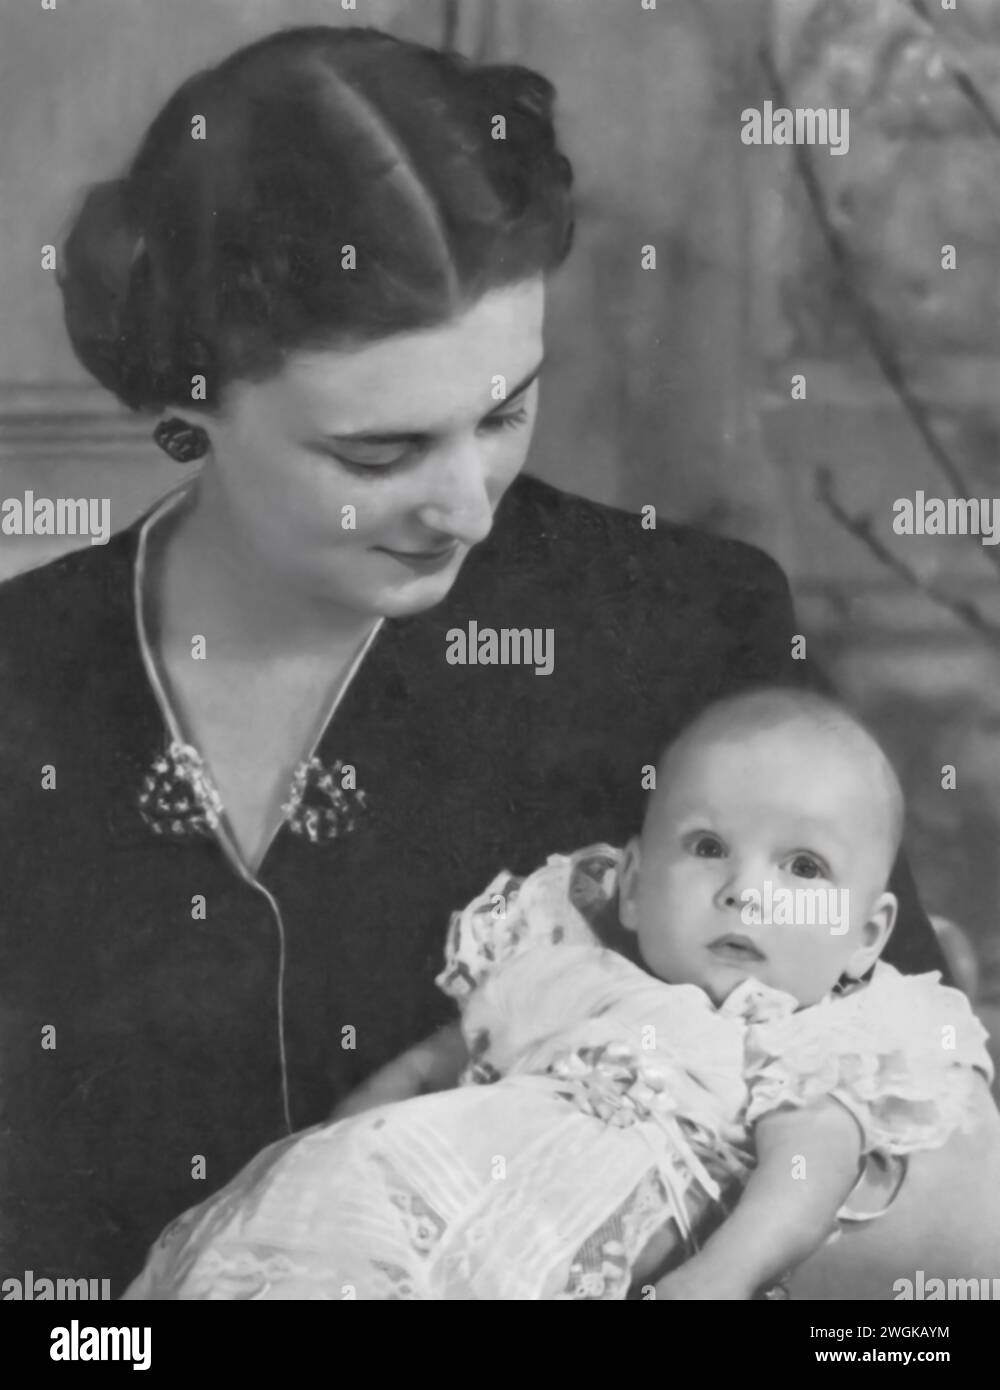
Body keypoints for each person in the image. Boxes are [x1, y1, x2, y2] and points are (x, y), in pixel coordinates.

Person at [0, 25, 951, 1297]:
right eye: (380, 454)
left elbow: (937, 1177)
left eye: (504, 413)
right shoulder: (27, 678)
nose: (467, 504)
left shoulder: (681, 631)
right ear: (192, 398)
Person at [121, 688, 993, 1301]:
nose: (745, 892)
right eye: (706, 847)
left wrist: (715, 1283)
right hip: (408, 1195)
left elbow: (800, 1182)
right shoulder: (568, 969)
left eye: (802, 866)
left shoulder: (807, 1040)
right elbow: (434, 1066)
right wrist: (329, 1147)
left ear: (868, 935)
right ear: (632, 885)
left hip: (556, 1256)